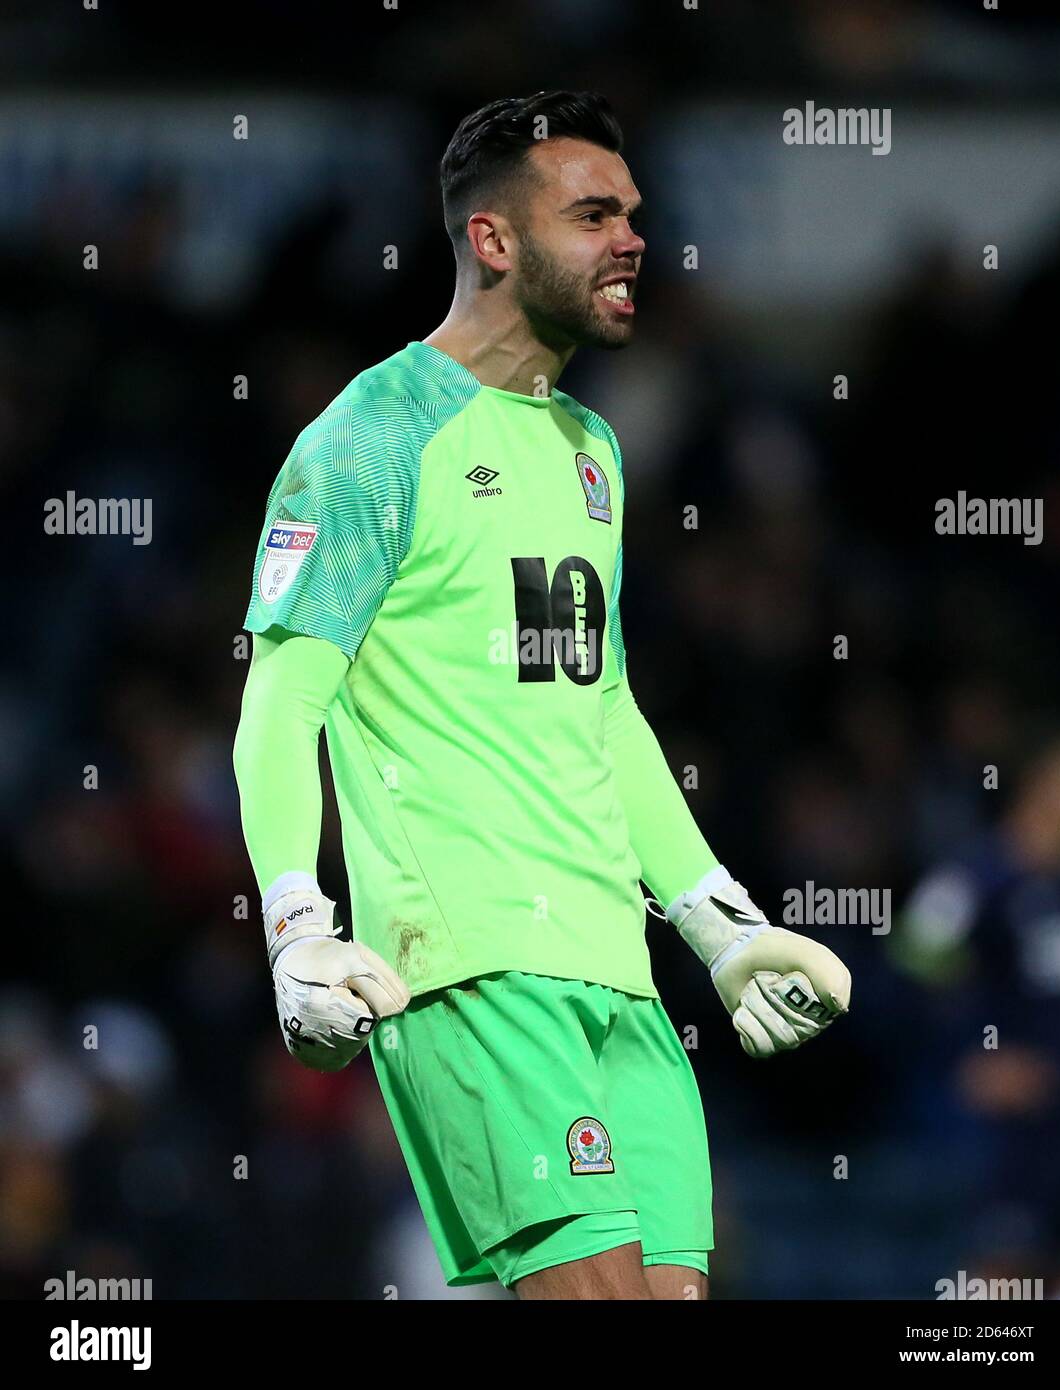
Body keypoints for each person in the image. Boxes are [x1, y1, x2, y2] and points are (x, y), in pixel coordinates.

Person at [233, 90, 850, 1301]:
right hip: (470, 964)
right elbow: (277, 707)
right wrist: (298, 925)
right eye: (593, 214)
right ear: (495, 241)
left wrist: (714, 921)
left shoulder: (589, 448)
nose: (632, 239)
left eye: (633, 214)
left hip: (615, 971)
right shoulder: (369, 438)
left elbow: (603, 706)